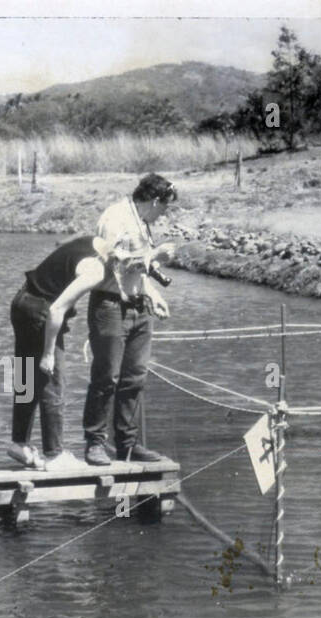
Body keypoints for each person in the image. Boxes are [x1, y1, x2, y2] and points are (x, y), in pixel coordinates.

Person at [8, 235, 162, 471]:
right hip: (42, 312)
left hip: (23, 300)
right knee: (52, 380)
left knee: (27, 378)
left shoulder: (96, 241)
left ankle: (19, 443)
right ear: (120, 262)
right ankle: (55, 454)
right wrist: (48, 352)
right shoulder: (95, 272)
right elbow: (56, 308)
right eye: (132, 266)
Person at [84, 173, 178, 465]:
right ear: (153, 200)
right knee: (106, 377)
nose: (164, 214)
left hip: (139, 307)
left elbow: (135, 272)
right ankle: (95, 443)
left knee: (135, 378)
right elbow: (113, 261)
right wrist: (154, 256)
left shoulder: (142, 221)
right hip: (110, 306)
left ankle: (127, 445)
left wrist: (153, 294)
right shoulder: (114, 217)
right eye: (164, 208)